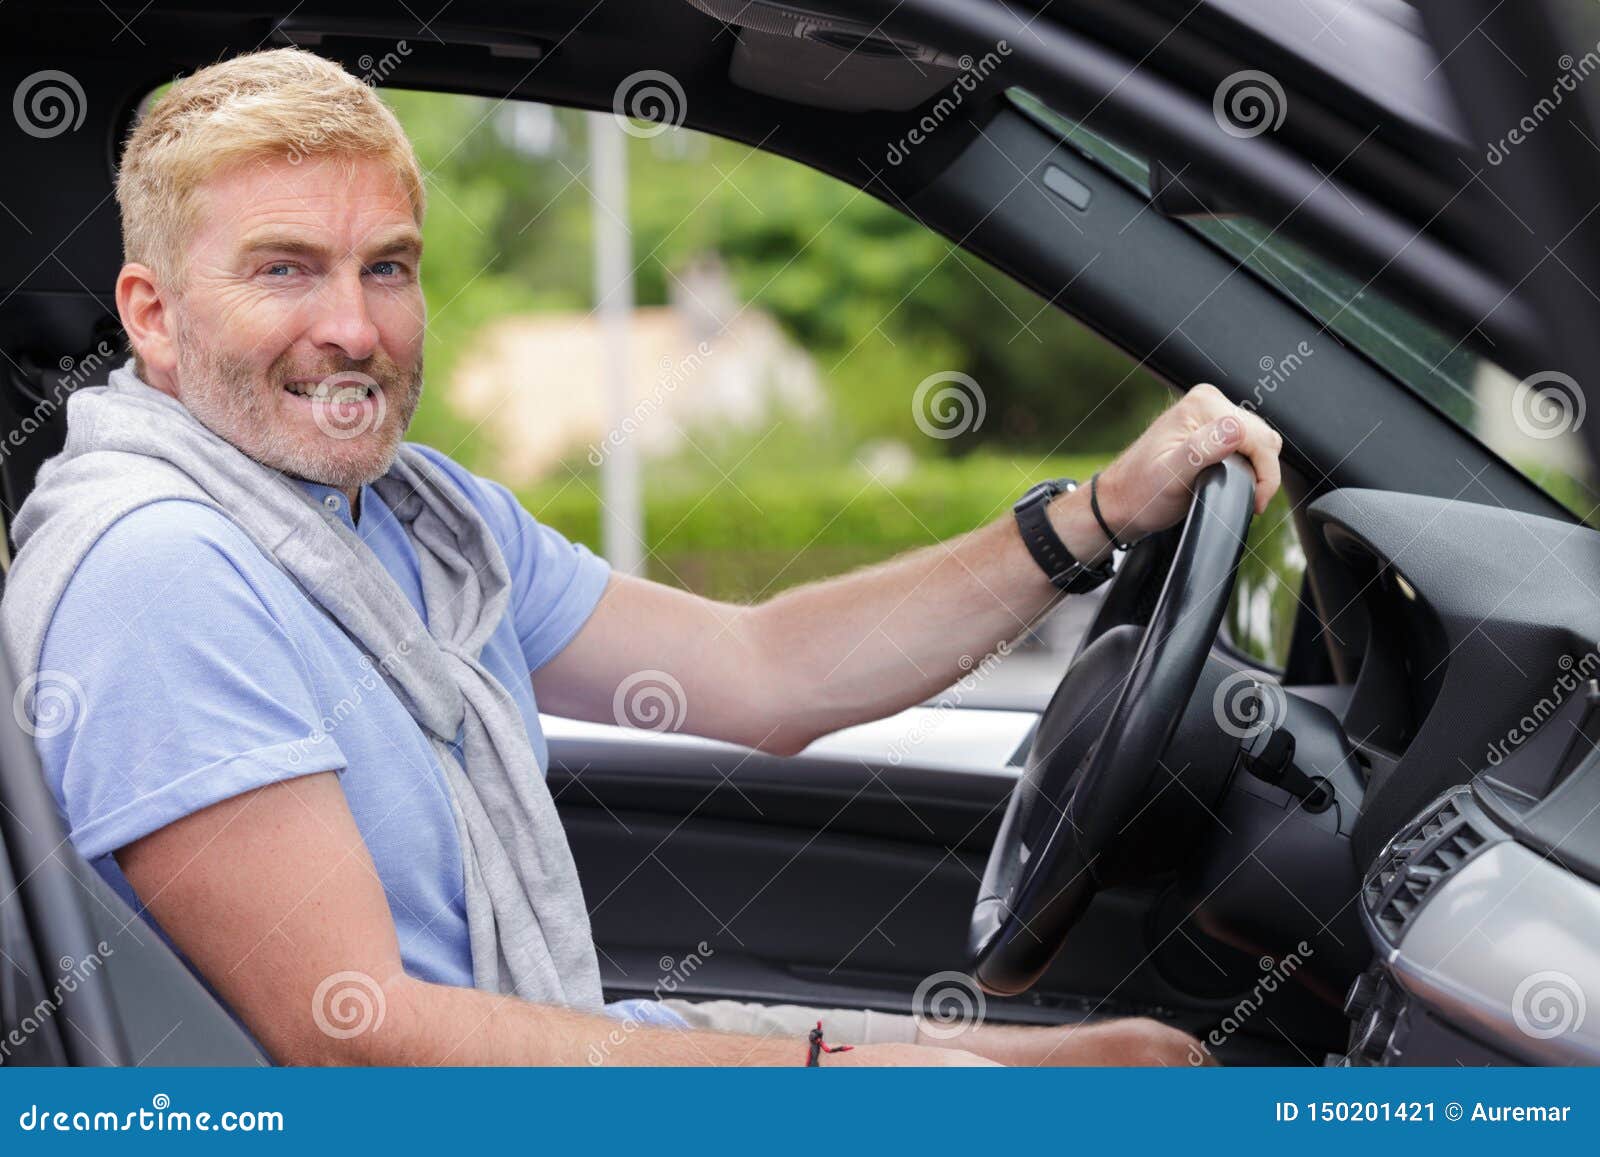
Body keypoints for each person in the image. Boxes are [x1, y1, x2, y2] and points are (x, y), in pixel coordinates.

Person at [0, 49, 1281, 1067]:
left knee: (1127, 1069)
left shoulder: (421, 518)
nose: (351, 326)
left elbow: (759, 668)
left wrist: (1096, 513)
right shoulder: (160, 569)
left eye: (385, 267)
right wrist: (838, 1080)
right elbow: (358, 1039)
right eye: (284, 269)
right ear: (152, 318)